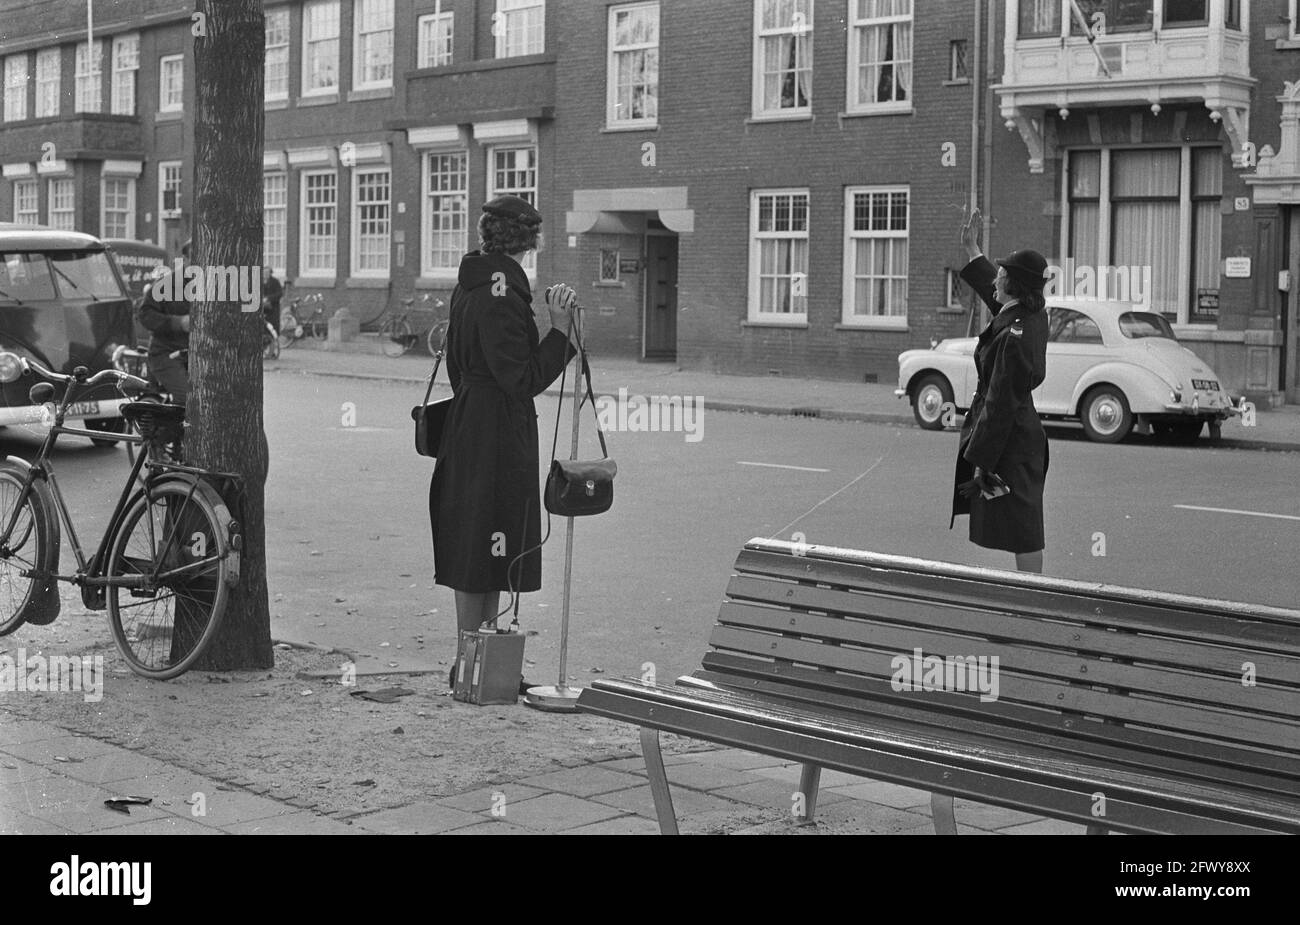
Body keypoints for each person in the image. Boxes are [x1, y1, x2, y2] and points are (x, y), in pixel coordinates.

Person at [428, 195, 578, 667]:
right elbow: (521, 378)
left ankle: (480, 660)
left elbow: (457, 363)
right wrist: (560, 333)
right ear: (528, 242)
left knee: (482, 544)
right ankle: (471, 663)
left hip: (470, 421)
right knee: (483, 545)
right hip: (496, 431)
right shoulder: (503, 294)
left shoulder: (472, 283)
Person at [951, 209, 1050, 573]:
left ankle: (1032, 597)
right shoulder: (1030, 315)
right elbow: (1000, 302)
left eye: (1001, 276)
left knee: (1024, 526)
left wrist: (981, 458)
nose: (995, 282)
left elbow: (1000, 403)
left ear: (1013, 286)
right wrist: (972, 250)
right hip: (1022, 437)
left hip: (1012, 439)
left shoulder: (1013, 336)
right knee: (1022, 519)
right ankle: (1028, 593)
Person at [137, 238, 191, 404]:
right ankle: (172, 430)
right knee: (186, 398)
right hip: (166, 354)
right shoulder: (167, 284)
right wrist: (178, 323)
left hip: (195, 355)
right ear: (186, 259)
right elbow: (145, 314)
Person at [261, 266, 283, 332]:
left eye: (267, 272)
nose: (265, 274)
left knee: (273, 326)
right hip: (263, 308)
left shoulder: (275, 281)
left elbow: (279, 294)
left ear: (270, 273)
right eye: (264, 272)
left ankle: (273, 339)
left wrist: (268, 298)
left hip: (273, 308)